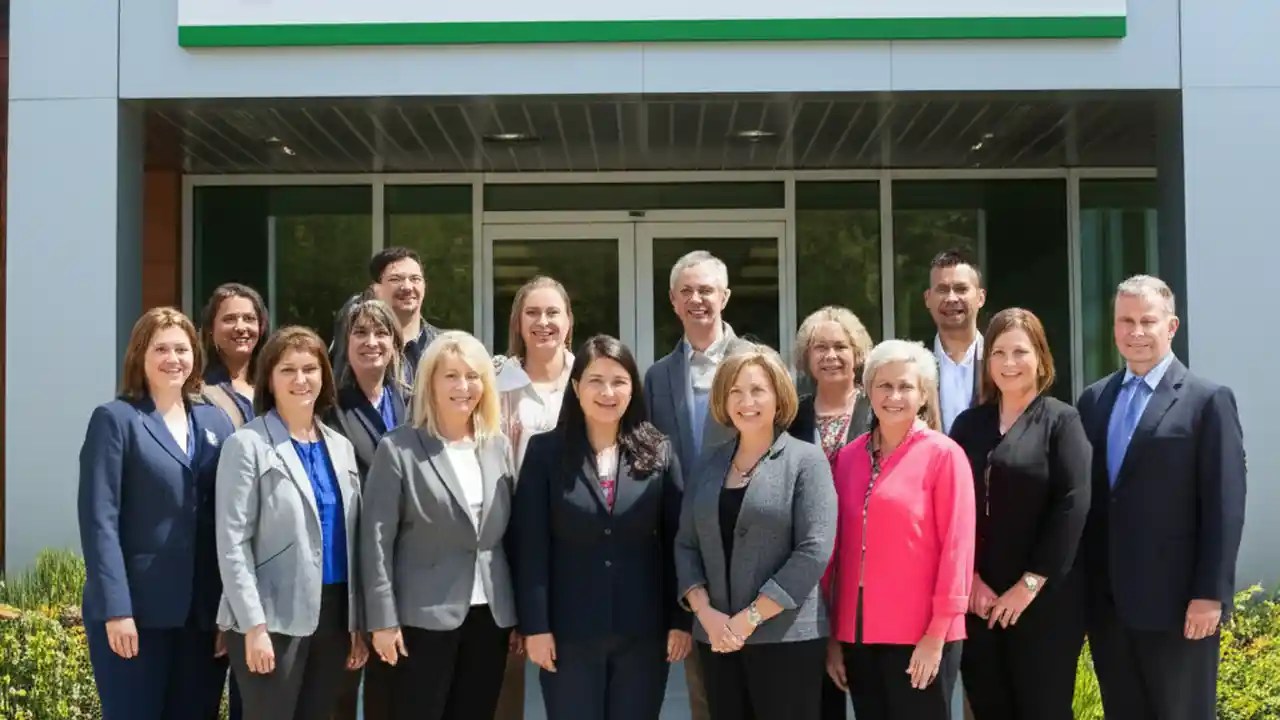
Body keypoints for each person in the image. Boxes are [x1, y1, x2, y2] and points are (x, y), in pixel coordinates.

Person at [1076, 275, 1246, 720]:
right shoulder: (1093, 400)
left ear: (1171, 327)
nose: (1135, 331)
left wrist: (1211, 594)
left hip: (1179, 607)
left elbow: (1224, 505)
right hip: (1110, 607)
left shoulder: (1207, 402)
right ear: (1113, 328)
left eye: (1147, 321)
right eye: (1125, 321)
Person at [512, 335, 691, 720]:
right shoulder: (545, 453)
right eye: (595, 380)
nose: (607, 392)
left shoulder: (659, 451)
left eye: (618, 381)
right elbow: (531, 546)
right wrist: (536, 627)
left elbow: (679, 543)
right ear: (576, 387)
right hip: (568, 633)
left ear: (632, 390)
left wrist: (681, 621)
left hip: (643, 633)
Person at [78, 307, 236, 719]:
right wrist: (116, 609)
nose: (173, 358)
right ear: (139, 356)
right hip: (136, 614)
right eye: (161, 348)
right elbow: (100, 521)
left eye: (182, 349)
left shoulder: (214, 421)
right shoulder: (116, 420)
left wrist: (228, 609)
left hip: (201, 616)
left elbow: (228, 519)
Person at [674, 342, 836, 720]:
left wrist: (749, 619)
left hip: (785, 639)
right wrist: (706, 614)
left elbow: (814, 550)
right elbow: (685, 544)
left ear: (778, 398)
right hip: (717, 637)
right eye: (736, 391)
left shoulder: (805, 460)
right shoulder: (709, 464)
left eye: (757, 390)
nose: (746, 401)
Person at [362, 330, 517, 720]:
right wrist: (381, 620)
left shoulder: (497, 446)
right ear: (430, 382)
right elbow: (376, 541)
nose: (463, 386)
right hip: (421, 619)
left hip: (489, 617)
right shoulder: (398, 449)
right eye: (451, 376)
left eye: (473, 375)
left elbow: (508, 536)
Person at [216, 326, 367, 720]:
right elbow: (232, 544)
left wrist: (355, 624)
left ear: (324, 376)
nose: (301, 380)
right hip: (271, 617)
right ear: (269, 377)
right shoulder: (247, 445)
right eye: (288, 370)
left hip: (332, 616)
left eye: (310, 369)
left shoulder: (340, 447)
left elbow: (351, 538)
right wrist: (253, 626)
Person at [948, 308, 1091, 720]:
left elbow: (1073, 504)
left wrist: (1028, 586)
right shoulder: (967, 425)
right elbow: (953, 507)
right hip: (980, 603)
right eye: (998, 352)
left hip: (1043, 604)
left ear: (1041, 359)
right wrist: (970, 578)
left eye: (1020, 352)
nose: (1009, 363)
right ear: (987, 362)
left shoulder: (1062, 421)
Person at [825, 339, 975, 720]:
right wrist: (834, 636)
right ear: (867, 390)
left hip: (922, 635)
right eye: (884, 385)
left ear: (923, 394)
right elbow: (835, 550)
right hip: (857, 634)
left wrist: (936, 634)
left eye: (905, 386)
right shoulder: (847, 458)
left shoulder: (944, 455)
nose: (894, 396)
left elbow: (957, 550)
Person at [643, 250, 739, 720]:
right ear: (673, 302)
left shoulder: (757, 363)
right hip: (685, 540)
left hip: (748, 536)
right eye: (687, 292)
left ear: (724, 296)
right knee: (705, 686)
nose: (697, 299)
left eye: (706, 290)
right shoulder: (658, 376)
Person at [786, 305, 875, 719]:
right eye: (819, 347)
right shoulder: (789, 417)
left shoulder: (880, 411)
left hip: (868, 571)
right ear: (806, 357)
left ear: (858, 354)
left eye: (841, 346)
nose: (831, 355)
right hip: (808, 576)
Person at [492, 275, 575, 719]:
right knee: (504, 678)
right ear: (518, 323)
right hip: (507, 541)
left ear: (569, 321)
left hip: (575, 545)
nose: (543, 322)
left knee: (572, 679)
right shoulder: (492, 382)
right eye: (532, 313)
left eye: (552, 312)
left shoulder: (589, 380)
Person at [325, 299, 408, 720]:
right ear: (343, 340)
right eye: (360, 333)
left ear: (396, 343)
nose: (372, 342)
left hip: (409, 568)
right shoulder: (328, 406)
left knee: (393, 692)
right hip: (351, 565)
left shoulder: (414, 402)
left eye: (382, 333)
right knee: (341, 689)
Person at [331, 247, 441, 387]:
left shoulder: (442, 346)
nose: (407, 287)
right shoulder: (359, 346)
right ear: (375, 290)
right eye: (395, 279)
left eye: (415, 279)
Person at [924, 249, 987, 434]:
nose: (951, 298)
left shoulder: (999, 360)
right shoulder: (912, 364)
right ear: (928, 299)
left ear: (980, 297)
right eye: (942, 290)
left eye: (961, 289)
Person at [201, 283, 269, 428]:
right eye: (229, 319)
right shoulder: (198, 391)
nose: (240, 327)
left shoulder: (274, 385)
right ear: (211, 328)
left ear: (261, 327)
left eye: (249, 319)